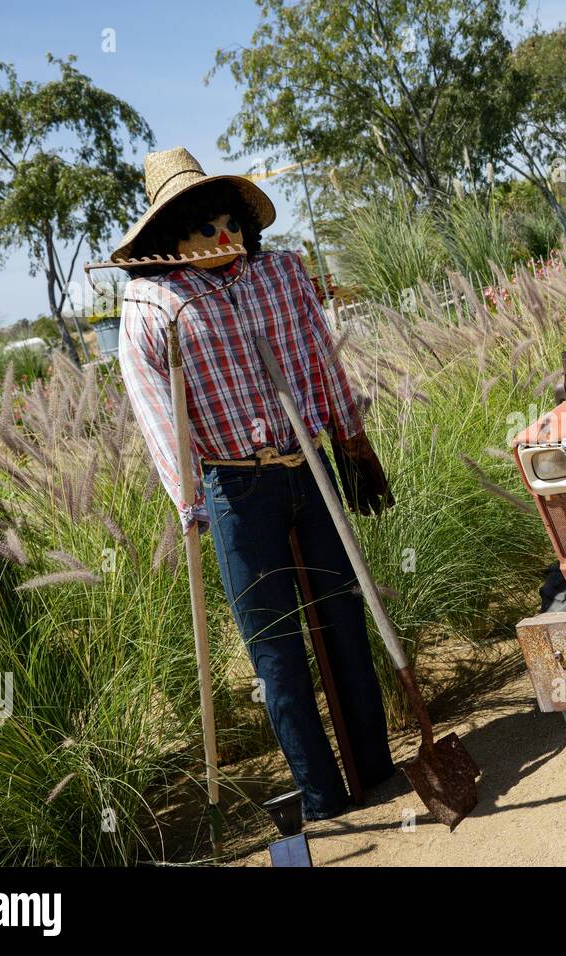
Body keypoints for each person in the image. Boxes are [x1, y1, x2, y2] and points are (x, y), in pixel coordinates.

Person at [114, 147, 395, 821]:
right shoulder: (155, 305)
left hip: (309, 466)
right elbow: (157, 412)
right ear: (171, 237)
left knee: (346, 621)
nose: (225, 238)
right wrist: (188, 500)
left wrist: (352, 440)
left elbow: (321, 359)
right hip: (237, 491)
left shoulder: (279, 275)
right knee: (276, 651)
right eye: (206, 229)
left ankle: (378, 774)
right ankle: (326, 798)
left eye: (230, 223)